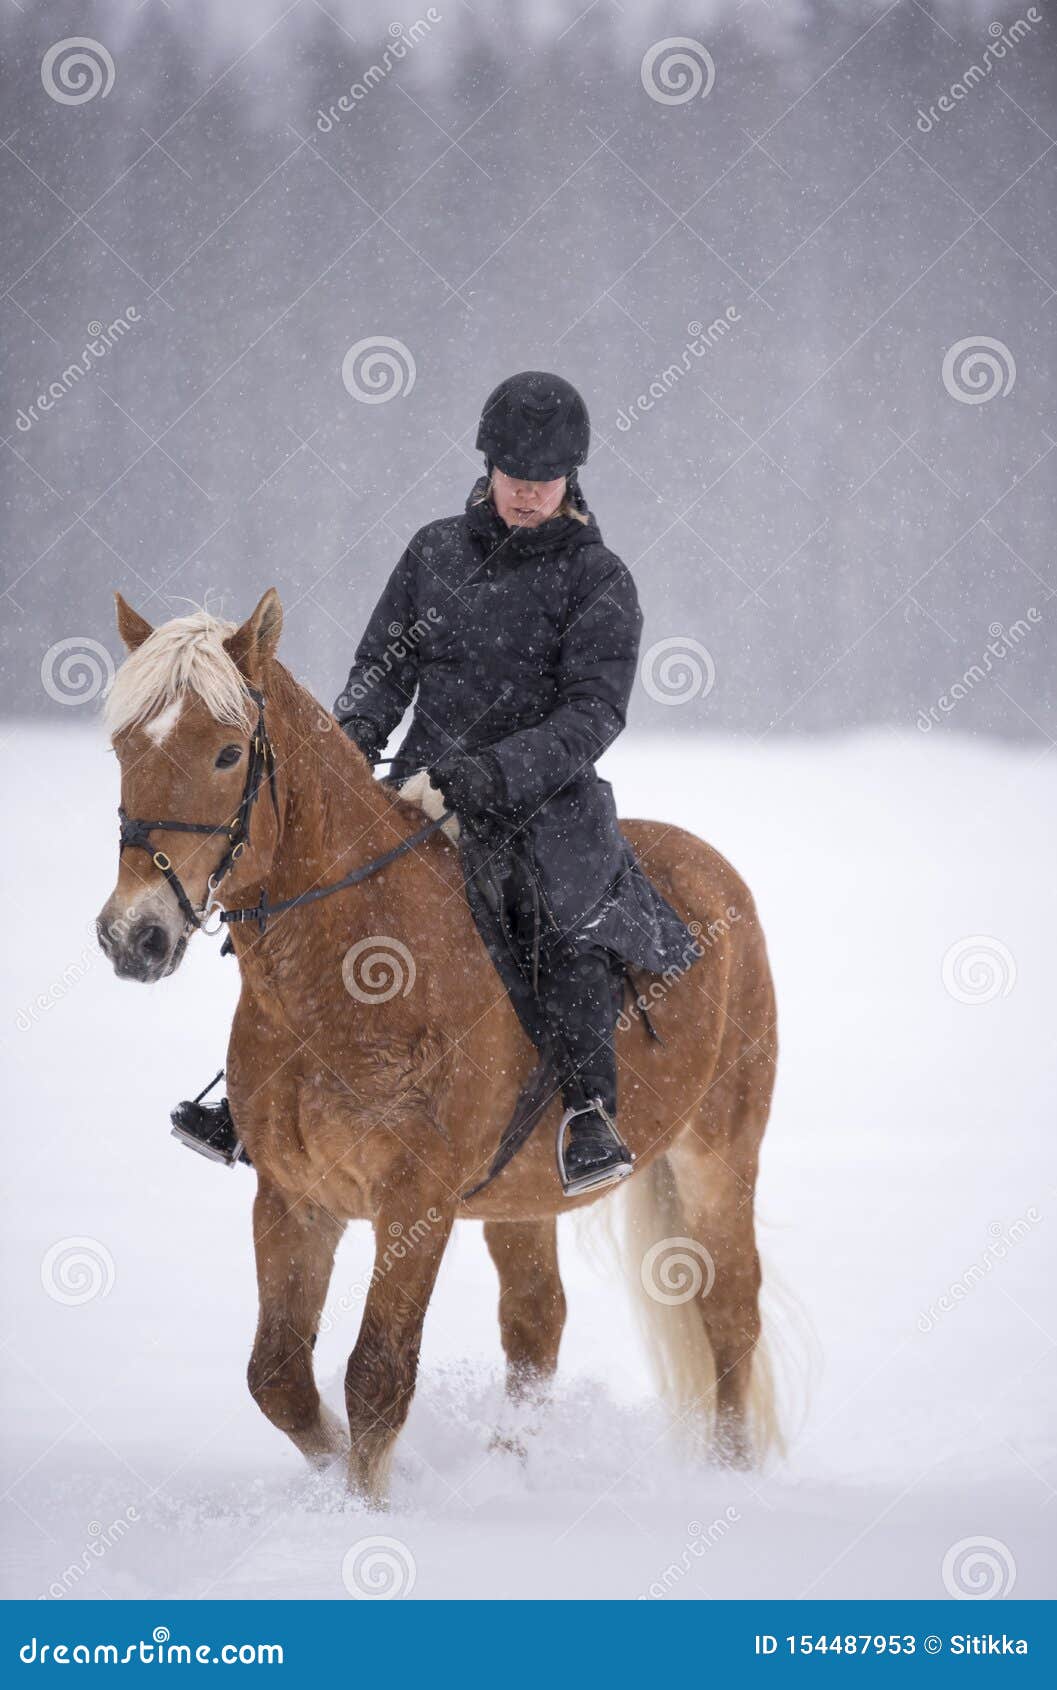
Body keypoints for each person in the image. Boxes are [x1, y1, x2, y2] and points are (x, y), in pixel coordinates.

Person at [173, 371, 698, 1195]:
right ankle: (249, 1096)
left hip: (543, 802)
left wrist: (490, 772)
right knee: (302, 898)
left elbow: (591, 714)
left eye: (543, 483)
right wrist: (343, 758)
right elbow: (381, 674)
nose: (526, 496)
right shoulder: (433, 553)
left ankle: (588, 1112)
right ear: (487, 467)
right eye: (513, 479)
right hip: (421, 788)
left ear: (571, 480)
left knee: (559, 918)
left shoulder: (598, 580)